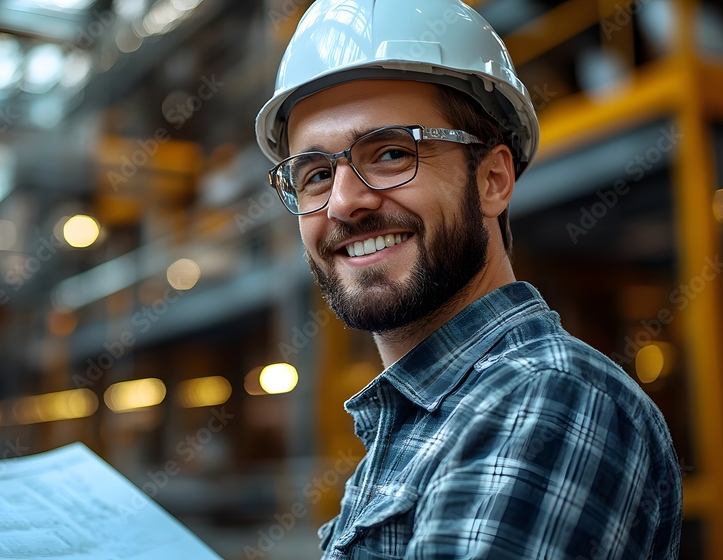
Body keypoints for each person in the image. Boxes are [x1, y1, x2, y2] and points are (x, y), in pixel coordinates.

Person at [253, 0, 683, 558]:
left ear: (493, 180)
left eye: (388, 153)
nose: (343, 203)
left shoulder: (544, 398)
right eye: (314, 174)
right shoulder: (413, 428)